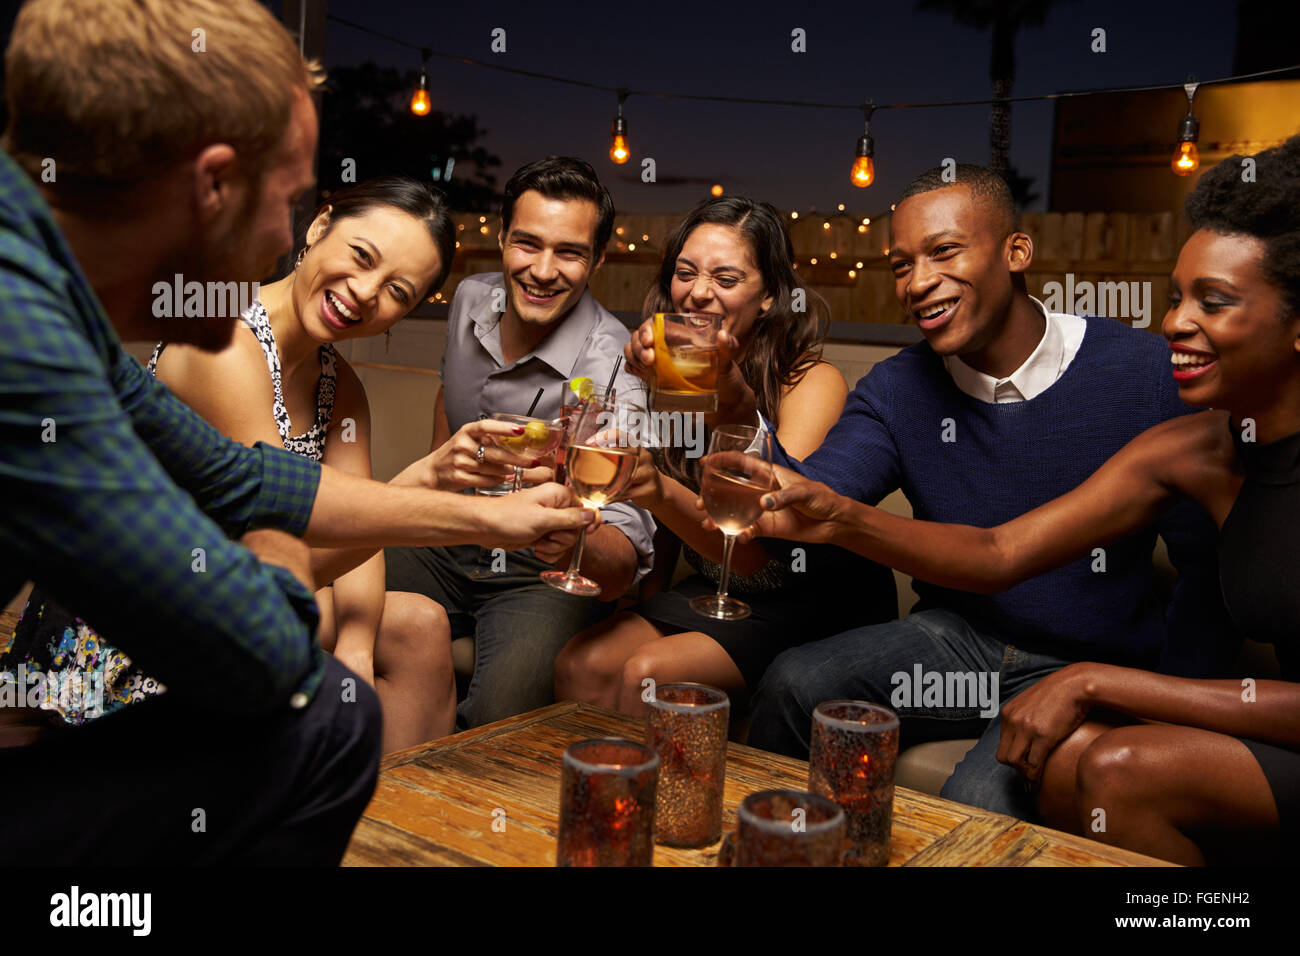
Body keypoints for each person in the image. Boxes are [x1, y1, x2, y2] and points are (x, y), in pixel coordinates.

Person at [0, 0, 590, 865]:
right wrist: (281, 556)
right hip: (83, 674)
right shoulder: (26, 337)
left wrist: (493, 517)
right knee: (329, 722)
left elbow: (246, 485)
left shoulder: (49, 290)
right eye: (287, 204)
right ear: (211, 183)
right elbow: (261, 639)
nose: (283, 237)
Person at [742, 136, 1300, 865]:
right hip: (959, 640)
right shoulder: (902, 388)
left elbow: (1207, 586)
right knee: (795, 681)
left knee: (984, 804)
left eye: (944, 253)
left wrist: (1144, 700)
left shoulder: (1150, 379)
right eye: (902, 265)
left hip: (1092, 655)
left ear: (1016, 251)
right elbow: (985, 548)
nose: (918, 283)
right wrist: (738, 417)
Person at [554, 196, 895, 719]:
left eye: (726, 279)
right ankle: (600, 797)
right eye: (685, 274)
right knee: (583, 660)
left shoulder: (812, 382)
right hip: (719, 580)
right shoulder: (671, 373)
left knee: (647, 672)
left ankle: (664, 803)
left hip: (810, 596)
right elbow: (663, 520)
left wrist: (661, 483)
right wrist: (640, 597)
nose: (698, 293)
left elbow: (765, 539)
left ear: (769, 298)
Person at [383, 157, 656, 729]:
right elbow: (448, 398)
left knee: (497, 723)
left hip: (537, 570)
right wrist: (437, 484)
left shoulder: (616, 368)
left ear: (599, 260)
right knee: (324, 591)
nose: (543, 270)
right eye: (527, 243)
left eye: (570, 252)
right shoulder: (468, 300)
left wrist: (573, 527)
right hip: (446, 534)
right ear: (502, 237)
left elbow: (624, 557)